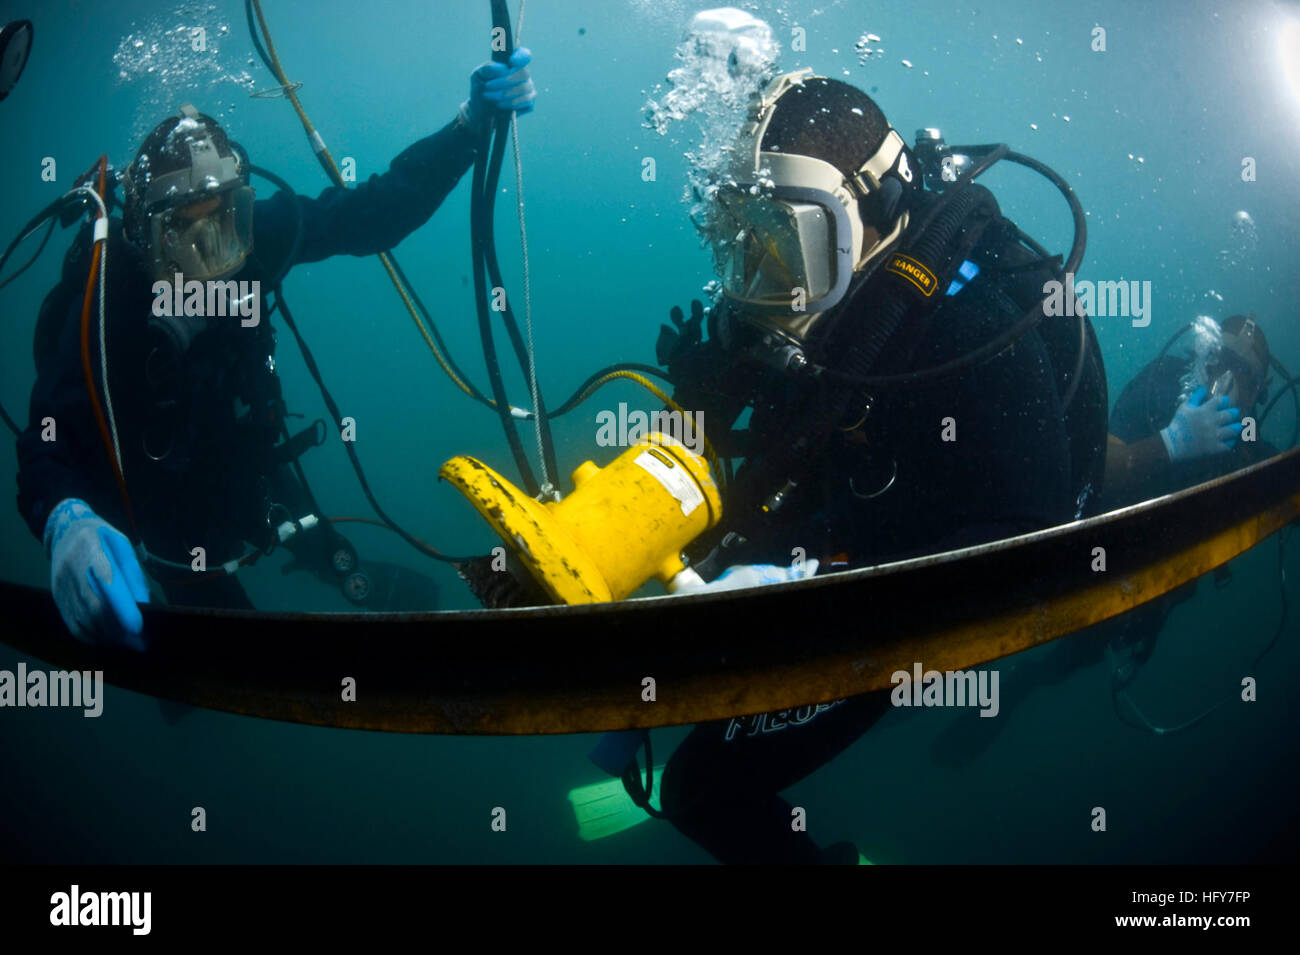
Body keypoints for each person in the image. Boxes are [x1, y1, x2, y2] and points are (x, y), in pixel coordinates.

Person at [613, 69, 1108, 863]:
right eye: (742, 236)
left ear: (866, 217)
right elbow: (775, 445)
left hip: (923, 557)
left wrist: (827, 580)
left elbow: (1031, 539)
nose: (761, 277)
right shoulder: (798, 298)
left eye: (784, 239)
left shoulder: (970, 329)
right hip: (848, 507)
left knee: (699, 788)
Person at [16, 49, 537, 647]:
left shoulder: (257, 238)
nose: (211, 257)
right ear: (141, 231)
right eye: (182, 232)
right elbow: (46, 439)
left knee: (317, 538)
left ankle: (353, 581)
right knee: (210, 611)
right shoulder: (108, 296)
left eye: (225, 222)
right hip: (156, 489)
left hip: (246, 450)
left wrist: (467, 128)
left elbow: (373, 213)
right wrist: (66, 519)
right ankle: (198, 673)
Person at [930, 313, 1279, 764]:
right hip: (1088, 559)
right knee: (987, 629)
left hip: (1142, 600)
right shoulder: (1161, 388)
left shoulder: (1250, 450)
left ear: (1260, 392)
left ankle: (1017, 686)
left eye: (1244, 375)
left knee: (1074, 657)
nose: (1227, 382)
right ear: (1203, 358)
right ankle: (904, 691)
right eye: (1219, 362)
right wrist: (1171, 443)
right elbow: (1093, 471)